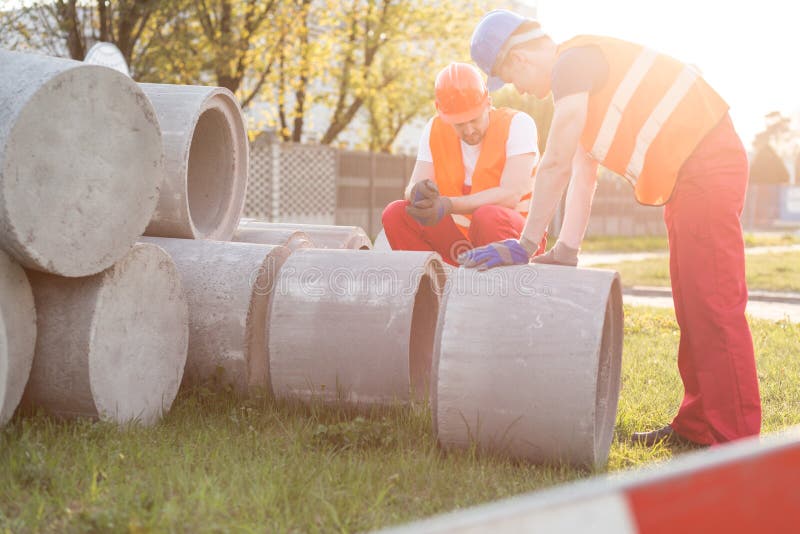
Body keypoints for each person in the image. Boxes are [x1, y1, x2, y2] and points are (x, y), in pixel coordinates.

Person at [461, 10, 761, 447]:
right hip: (689, 175)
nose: (520, 89)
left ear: (520, 58)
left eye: (510, 78)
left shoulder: (571, 63)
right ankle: (699, 425)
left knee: (713, 303)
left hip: (706, 161)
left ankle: (735, 443)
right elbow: (583, 171)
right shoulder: (579, 81)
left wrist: (525, 242)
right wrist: (567, 247)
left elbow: (557, 159)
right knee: (693, 304)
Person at [381, 62, 546, 266]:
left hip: (514, 241)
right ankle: (434, 287)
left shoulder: (518, 124)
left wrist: (448, 204)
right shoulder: (434, 129)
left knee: (487, 216)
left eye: (474, 120)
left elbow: (510, 194)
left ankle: (501, 292)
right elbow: (411, 187)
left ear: (488, 103)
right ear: (441, 113)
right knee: (396, 214)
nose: (468, 130)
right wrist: (417, 194)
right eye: (459, 124)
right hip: (460, 243)